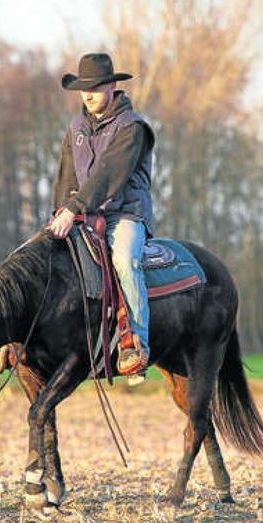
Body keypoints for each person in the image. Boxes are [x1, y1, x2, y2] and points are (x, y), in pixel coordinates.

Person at [47, 52, 155, 377]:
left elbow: (108, 175)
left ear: (111, 86)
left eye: (95, 87)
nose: (89, 94)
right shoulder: (76, 127)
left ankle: (135, 345)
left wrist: (75, 209)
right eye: (84, 88)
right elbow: (66, 176)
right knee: (48, 258)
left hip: (125, 214)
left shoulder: (132, 128)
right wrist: (59, 213)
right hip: (83, 214)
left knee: (124, 259)